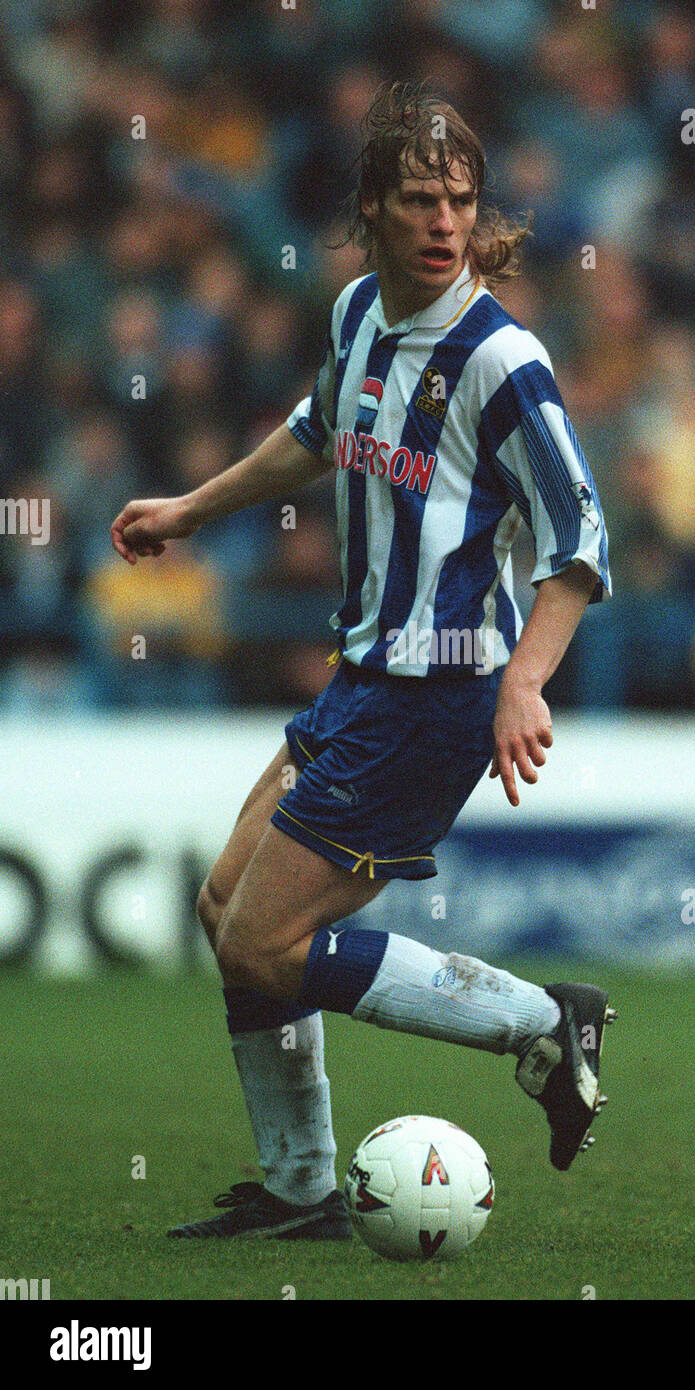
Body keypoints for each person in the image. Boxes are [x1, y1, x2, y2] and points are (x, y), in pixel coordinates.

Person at [110, 83, 616, 1241]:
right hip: (358, 680)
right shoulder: (356, 314)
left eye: (460, 200)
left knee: (262, 941)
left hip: (437, 697)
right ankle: (298, 1186)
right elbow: (312, 433)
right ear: (371, 211)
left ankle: (544, 1018)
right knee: (223, 904)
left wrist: (525, 681)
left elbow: (580, 534)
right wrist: (191, 507)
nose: (443, 221)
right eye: (418, 199)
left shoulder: (501, 358)